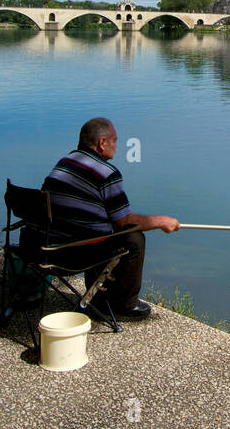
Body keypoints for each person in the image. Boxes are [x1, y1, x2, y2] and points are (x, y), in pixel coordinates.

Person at [30, 117, 179, 320]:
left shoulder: (64, 163)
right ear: (102, 142)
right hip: (73, 253)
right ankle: (124, 305)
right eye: (115, 141)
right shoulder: (107, 174)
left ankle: (99, 297)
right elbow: (125, 222)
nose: (117, 146)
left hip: (43, 247)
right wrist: (161, 221)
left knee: (100, 228)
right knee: (134, 239)